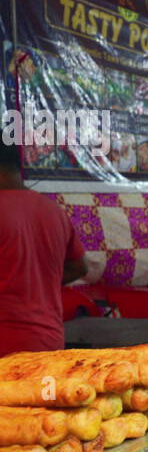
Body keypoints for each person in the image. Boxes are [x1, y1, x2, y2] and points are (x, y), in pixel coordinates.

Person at [0, 142, 87, 357]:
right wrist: (36, 283)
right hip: (49, 343)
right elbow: (79, 267)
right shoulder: (53, 210)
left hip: (5, 348)